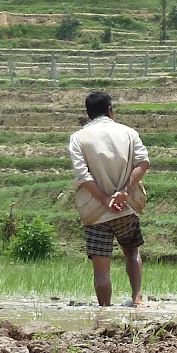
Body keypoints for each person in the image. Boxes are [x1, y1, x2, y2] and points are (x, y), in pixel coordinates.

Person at [68, 91, 150, 307]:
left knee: (101, 268)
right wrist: (124, 191)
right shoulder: (129, 133)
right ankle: (137, 298)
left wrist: (105, 199)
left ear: (88, 114)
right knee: (132, 253)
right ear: (110, 110)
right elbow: (143, 163)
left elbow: (82, 176)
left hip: (96, 212)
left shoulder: (78, 138)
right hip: (126, 208)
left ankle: (104, 310)